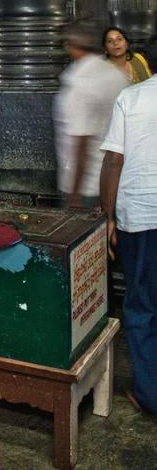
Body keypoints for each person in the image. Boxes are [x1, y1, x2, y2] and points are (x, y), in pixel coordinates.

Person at [100, 34, 157, 414]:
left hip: (141, 216)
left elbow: (114, 161)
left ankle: (151, 394)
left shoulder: (132, 98)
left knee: (141, 304)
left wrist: (108, 216)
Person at [55, 23, 127, 208]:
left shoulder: (80, 82)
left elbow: (80, 143)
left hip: (86, 187)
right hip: (116, 180)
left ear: (73, 45)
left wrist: (75, 197)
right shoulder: (117, 76)